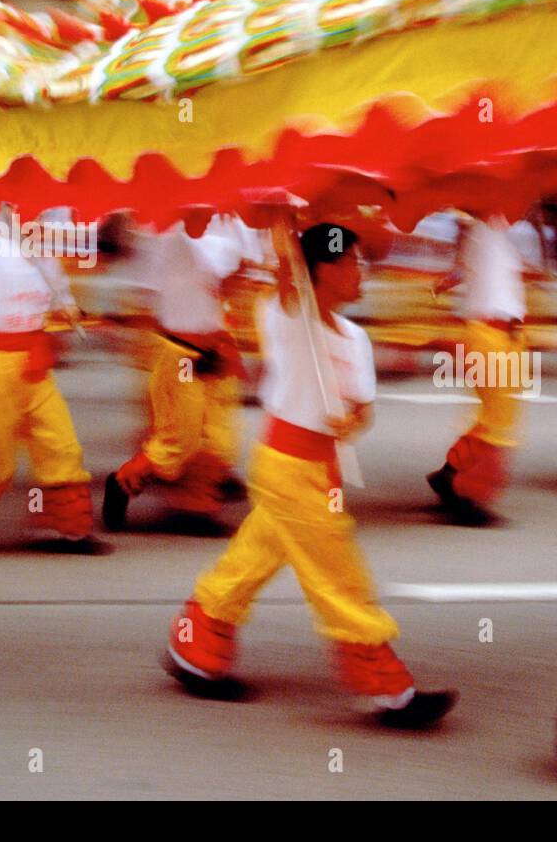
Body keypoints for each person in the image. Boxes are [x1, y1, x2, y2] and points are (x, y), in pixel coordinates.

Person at [164, 211, 457, 729]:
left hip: (322, 469)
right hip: (284, 464)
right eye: (351, 262)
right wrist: (281, 220)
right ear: (318, 270)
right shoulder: (287, 311)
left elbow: (364, 409)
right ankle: (387, 688)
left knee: (251, 559)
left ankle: (194, 644)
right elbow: (285, 264)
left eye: (362, 262)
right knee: (339, 576)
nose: (362, 272)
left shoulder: (354, 339)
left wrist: (352, 421)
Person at [0, 205, 107, 557]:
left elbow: (59, 288)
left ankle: (69, 527)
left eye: (44, 217)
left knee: (59, 441)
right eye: (30, 215)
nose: (40, 223)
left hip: (35, 362)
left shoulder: (44, 252)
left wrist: (70, 309)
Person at [103, 205, 249, 533]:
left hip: (217, 349)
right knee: (180, 437)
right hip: (180, 353)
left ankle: (197, 508)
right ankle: (124, 482)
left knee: (221, 438)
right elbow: (146, 294)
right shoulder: (164, 236)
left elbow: (228, 285)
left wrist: (239, 273)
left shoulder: (228, 227)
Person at [426, 213, 536, 524]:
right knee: (499, 424)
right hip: (492, 333)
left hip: (503, 334)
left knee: (493, 419)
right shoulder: (482, 228)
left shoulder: (495, 231)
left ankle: (450, 475)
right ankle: (468, 494)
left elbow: (462, 273)